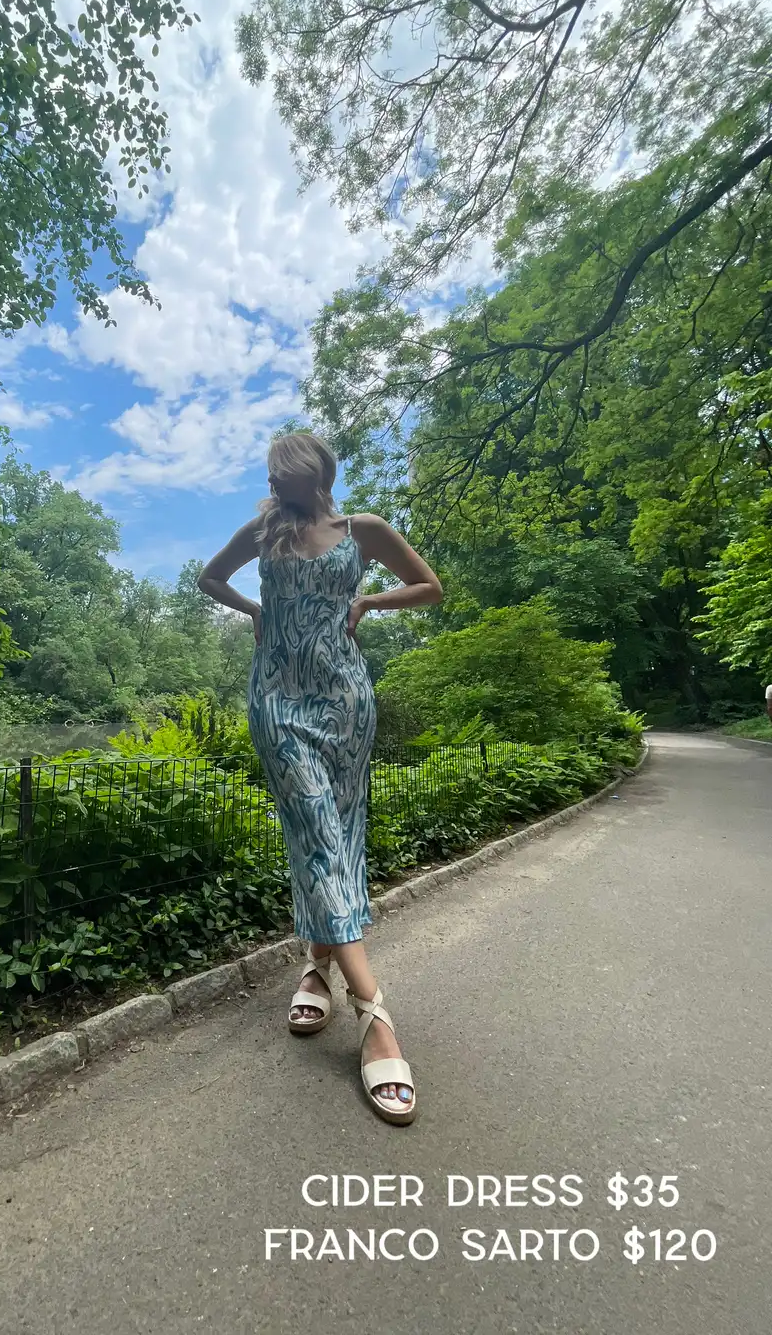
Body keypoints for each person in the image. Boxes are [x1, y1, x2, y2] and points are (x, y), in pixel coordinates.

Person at [197, 430, 443, 1125]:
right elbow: (208, 577)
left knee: (336, 837)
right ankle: (376, 1017)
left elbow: (430, 587)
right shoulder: (263, 531)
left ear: (322, 478)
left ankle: (317, 967)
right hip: (278, 700)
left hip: (345, 701)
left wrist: (369, 605)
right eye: (282, 486)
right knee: (314, 828)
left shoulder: (362, 529)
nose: (290, 499)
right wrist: (257, 613)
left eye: (299, 487)